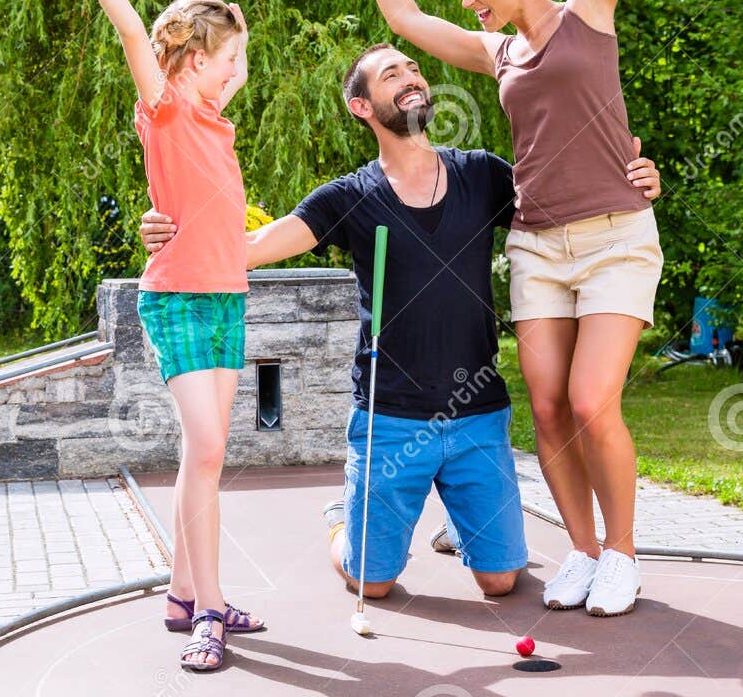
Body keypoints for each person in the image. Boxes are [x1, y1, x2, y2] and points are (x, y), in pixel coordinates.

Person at [142, 43, 661, 603]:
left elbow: (566, 205)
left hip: (478, 416)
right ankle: (344, 521)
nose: (411, 77)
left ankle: (461, 519)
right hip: (389, 420)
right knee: (374, 581)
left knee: (500, 581)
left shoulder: (483, 174)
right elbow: (248, 248)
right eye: (391, 75)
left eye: (413, 68)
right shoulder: (349, 196)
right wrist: (172, 234)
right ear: (361, 106)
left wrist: (632, 182)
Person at [340, 0, 662, 615]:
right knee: (550, 407)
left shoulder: (592, 8)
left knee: (595, 399)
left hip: (615, 235)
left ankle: (625, 553)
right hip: (537, 243)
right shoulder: (499, 53)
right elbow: (406, 22)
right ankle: (584, 554)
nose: (468, 1)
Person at [49, 0, 263, 672]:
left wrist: (232, 26)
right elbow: (136, 33)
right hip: (175, 298)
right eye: (230, 58)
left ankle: (182, 594)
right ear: (191, 60)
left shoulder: (216, 124)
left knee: (202, 455)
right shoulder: (167, 110)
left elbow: (231, 69)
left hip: (226, 299)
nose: (239, 71)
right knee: (206, 447)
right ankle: (209, 609)